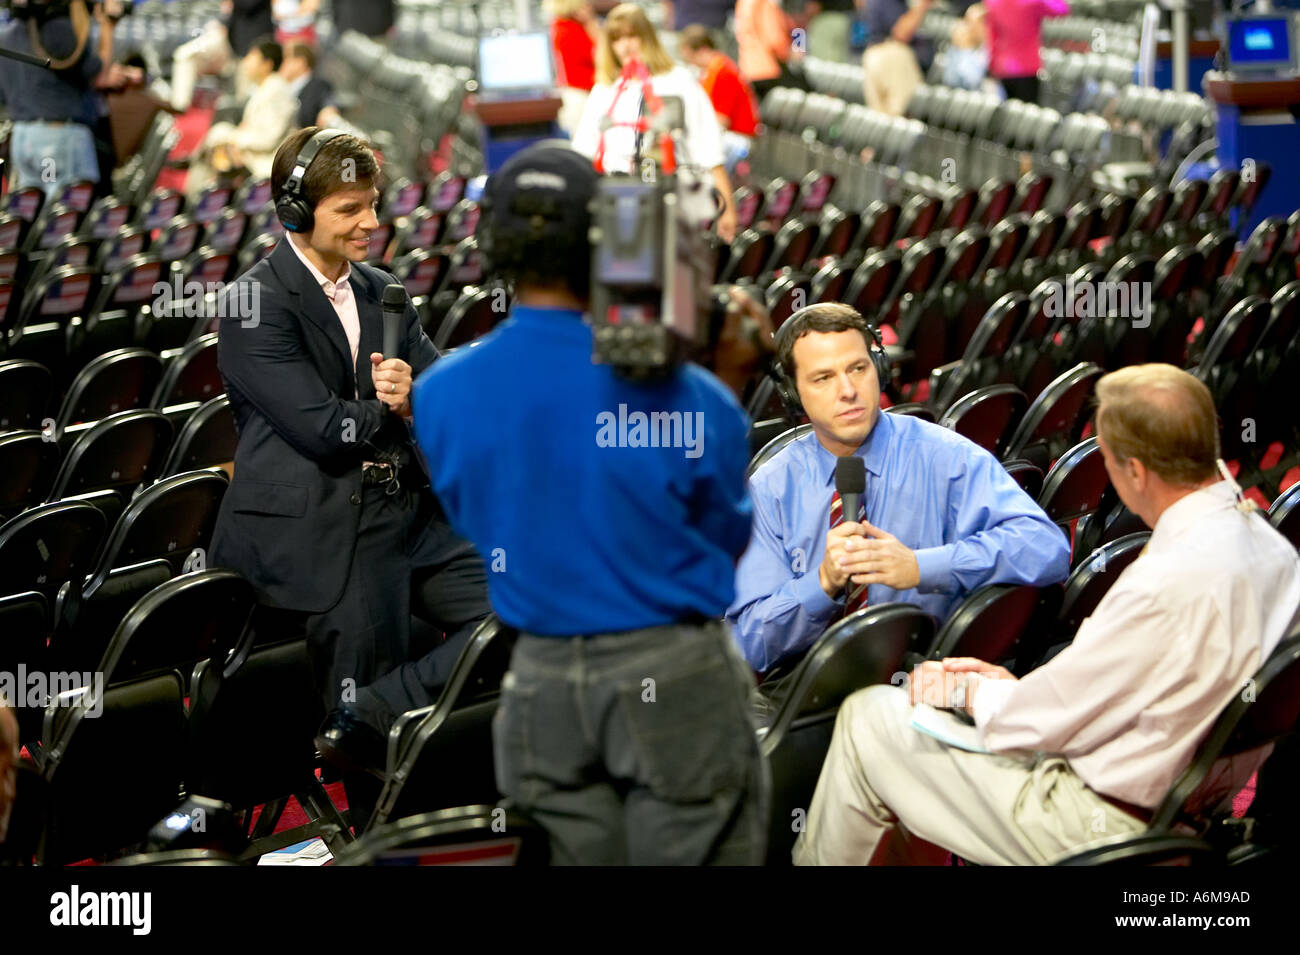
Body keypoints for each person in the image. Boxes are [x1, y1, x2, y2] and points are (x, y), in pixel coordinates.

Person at [409, 143, 767, 865]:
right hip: (673, 679)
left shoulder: (439, 392)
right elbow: (727, 530)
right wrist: (720, 376)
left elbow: (478, 519)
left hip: (538, 686)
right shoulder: (687, 393)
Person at [794, 363, 1300, 865]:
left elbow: (1038, 724)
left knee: (870, 718)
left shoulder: (1165, 581)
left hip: (1096, 824)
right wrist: (1005, 686)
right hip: (1186, 815)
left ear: (1136, 472)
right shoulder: (1278, 554)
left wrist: (967, 691)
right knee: (911, 748)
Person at [208, 127, 491, 821]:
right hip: (325, 524)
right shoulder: (254, 305)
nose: (371, 222)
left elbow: (443, 390)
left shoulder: (383, 290)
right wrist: (393, 404)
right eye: (350, 210)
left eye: (372, 204)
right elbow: (320, 428)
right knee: (369, 733)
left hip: (406, 510)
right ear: (296, 213)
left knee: (530, 601)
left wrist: (417, 395)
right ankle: (377, 825)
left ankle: (383, 714)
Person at [727, 304, 1070, 675]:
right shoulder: (769, 489)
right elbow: (747, 642)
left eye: (858, 369)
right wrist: (821, 584)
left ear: (879, 368)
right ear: (793, 393)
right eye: (823, 378)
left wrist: (923, 566)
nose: (847, 391)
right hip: (809, 692)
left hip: (924, 677)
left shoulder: (944, 456)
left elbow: (1045, 549)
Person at [571, 3, 738, 242]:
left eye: (632, 35)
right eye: (617, 39)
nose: (626, 45)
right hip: (615, 207)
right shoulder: (604, 90)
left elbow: (708, 149)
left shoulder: (678, 82)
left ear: (647, 37)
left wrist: (727, 209)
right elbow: (583, 152)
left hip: (672, 203)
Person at [0, 0, 119, 198]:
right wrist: (108, 24)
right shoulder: (59, 30)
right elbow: (100, 76)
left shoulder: (6, 34)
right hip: (56, 141)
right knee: (63, 212)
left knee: (36, 213)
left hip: (23, 139)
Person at [186, 37, 297, 198]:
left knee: (216, 142)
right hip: (255, 155)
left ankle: (194, 203)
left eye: (252, 57)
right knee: (218, 134)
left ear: (267, 64)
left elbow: (268, 140)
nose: (246, 62)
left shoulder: (276, 92)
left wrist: (235, 139)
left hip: (265, 161)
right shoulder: (268, 88)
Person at [677, 26, 759, 173]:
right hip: (729, 135)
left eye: (691, 58)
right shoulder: (711, 72)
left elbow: (722, 120)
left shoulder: (723, 72)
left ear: (702, 50)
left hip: (739, 141)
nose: (691, 64)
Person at [984, 0, 1069, 104]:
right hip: (1027, 67)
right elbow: (1061, 9)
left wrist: (992, 66)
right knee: (1029, 112)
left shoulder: (993, 2)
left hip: (1004, 67)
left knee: (1011, 113)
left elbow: (992, 38)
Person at [859, 0, 932, 116]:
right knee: (902, 117)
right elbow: (901, 33)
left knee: (882, 120)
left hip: (874, 55)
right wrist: (923, 5)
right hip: (891, 55)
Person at [547, 0, 598, 134]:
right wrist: (591, 22)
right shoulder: (566, 28)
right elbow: (598, 55)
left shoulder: (564, 25)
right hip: (579, 94)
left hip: (585, 92)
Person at [735, 0, 800, 101]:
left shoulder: (743, 3)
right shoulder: (764, 3)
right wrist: (790, 53)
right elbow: (774, 39)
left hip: (748, 68)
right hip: (768, 69)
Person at [279, 41, 337, 129]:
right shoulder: (280, 86)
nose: (280, 65)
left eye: (284, 59)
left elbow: (328, 103)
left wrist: (328, 108)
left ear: (299, 62)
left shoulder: (318, 86)